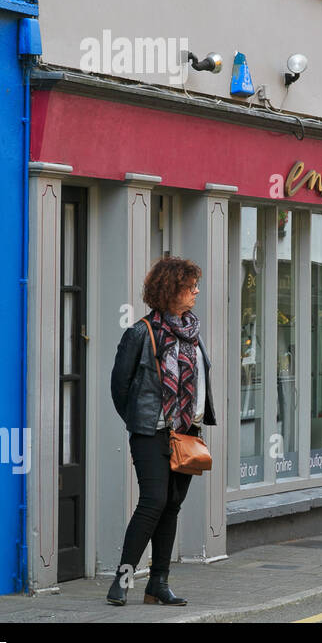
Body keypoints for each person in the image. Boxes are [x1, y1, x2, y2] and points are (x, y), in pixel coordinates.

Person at [106, 256, 216, 606]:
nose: (196, 290)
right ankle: (123, 579)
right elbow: (119, 388)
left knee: (172, 505)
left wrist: (193, 419)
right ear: (170, 290)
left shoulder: (193, 333)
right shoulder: (141, 332)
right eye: (189, 286)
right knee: (153, 501)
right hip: (151, 432)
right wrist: (140, 421)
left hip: (186, 434)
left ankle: (158, 584)